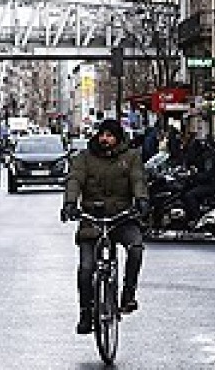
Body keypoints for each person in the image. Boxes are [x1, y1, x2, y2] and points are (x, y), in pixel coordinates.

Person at [60, 118, 149, 335]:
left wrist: (141, 199)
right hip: (92, 218)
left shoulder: (131, 157)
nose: (105, 139)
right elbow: (74, 179)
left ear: (117, 137)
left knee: (135, 248)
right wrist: (70, 203)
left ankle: (128, 295)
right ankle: (85, 313)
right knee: (86, 269)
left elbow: (138, 179)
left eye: (109, 135)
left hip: (122, 217)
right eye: (102, 135)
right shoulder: (84, 158)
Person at [181, 138, 215, 227]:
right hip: (214, 182)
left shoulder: (209, 157)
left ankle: (196, 218)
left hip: (212, 185)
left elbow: (208, 174)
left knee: (189, 195)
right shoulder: (213, 154)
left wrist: (194, 176)